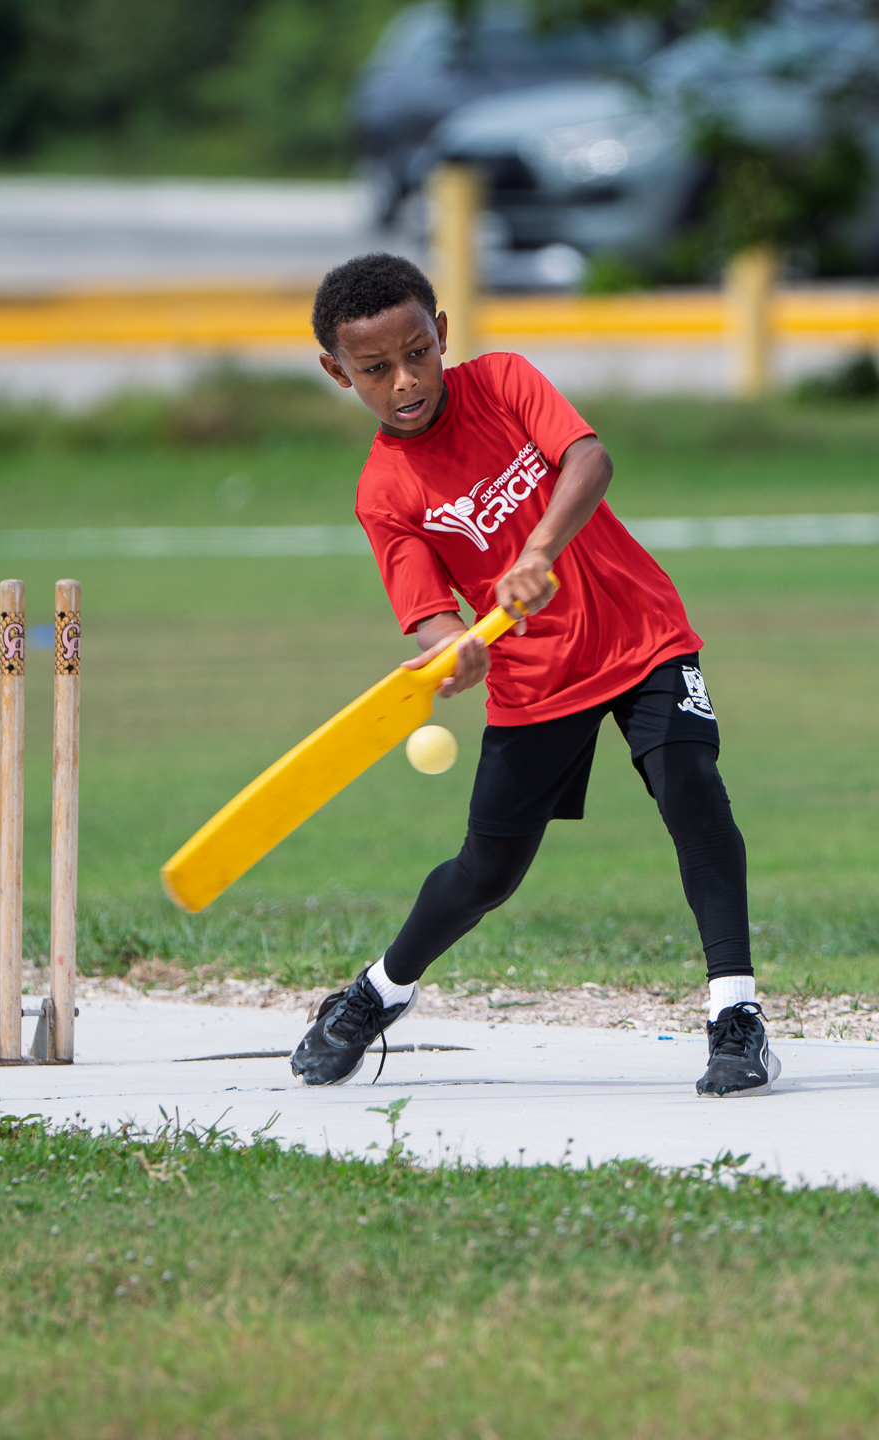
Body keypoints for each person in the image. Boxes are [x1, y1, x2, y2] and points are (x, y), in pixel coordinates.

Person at [289, 252, 777, 1098]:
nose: (405, 381)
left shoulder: (506, 381)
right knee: (489, 872)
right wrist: (455, 652)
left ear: (442, 333)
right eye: (375, 369)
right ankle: (377, 994)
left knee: (692, 787)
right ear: (339, 373)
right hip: (534, 681)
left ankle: (735, 1018)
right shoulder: (384, 492)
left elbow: (589, 461)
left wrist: (539, 550)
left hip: (640, 633)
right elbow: (431, 619)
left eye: (417, 353)